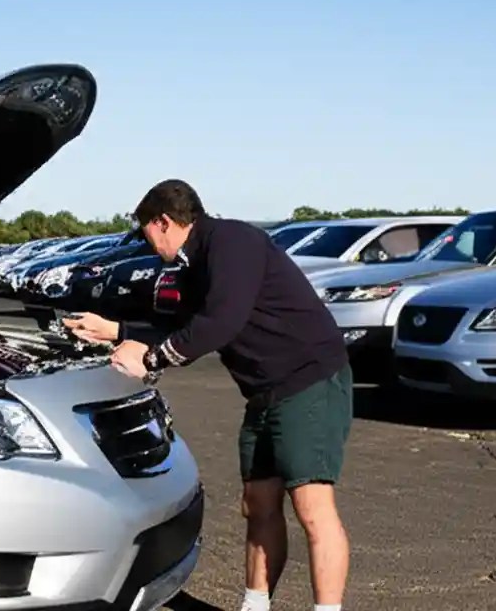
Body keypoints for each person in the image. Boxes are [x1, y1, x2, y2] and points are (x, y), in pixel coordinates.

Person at [64, 179, 353, 611]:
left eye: (146, 231)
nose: (146, 242)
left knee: (312, 506)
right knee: (258, 504)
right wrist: (114, 331)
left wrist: (153, 360)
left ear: (164, 221)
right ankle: (255, 605)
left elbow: (220, 323)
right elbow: (185, 325)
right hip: (264, 392)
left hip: (308, 379)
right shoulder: (195, 261)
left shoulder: (233, 242)